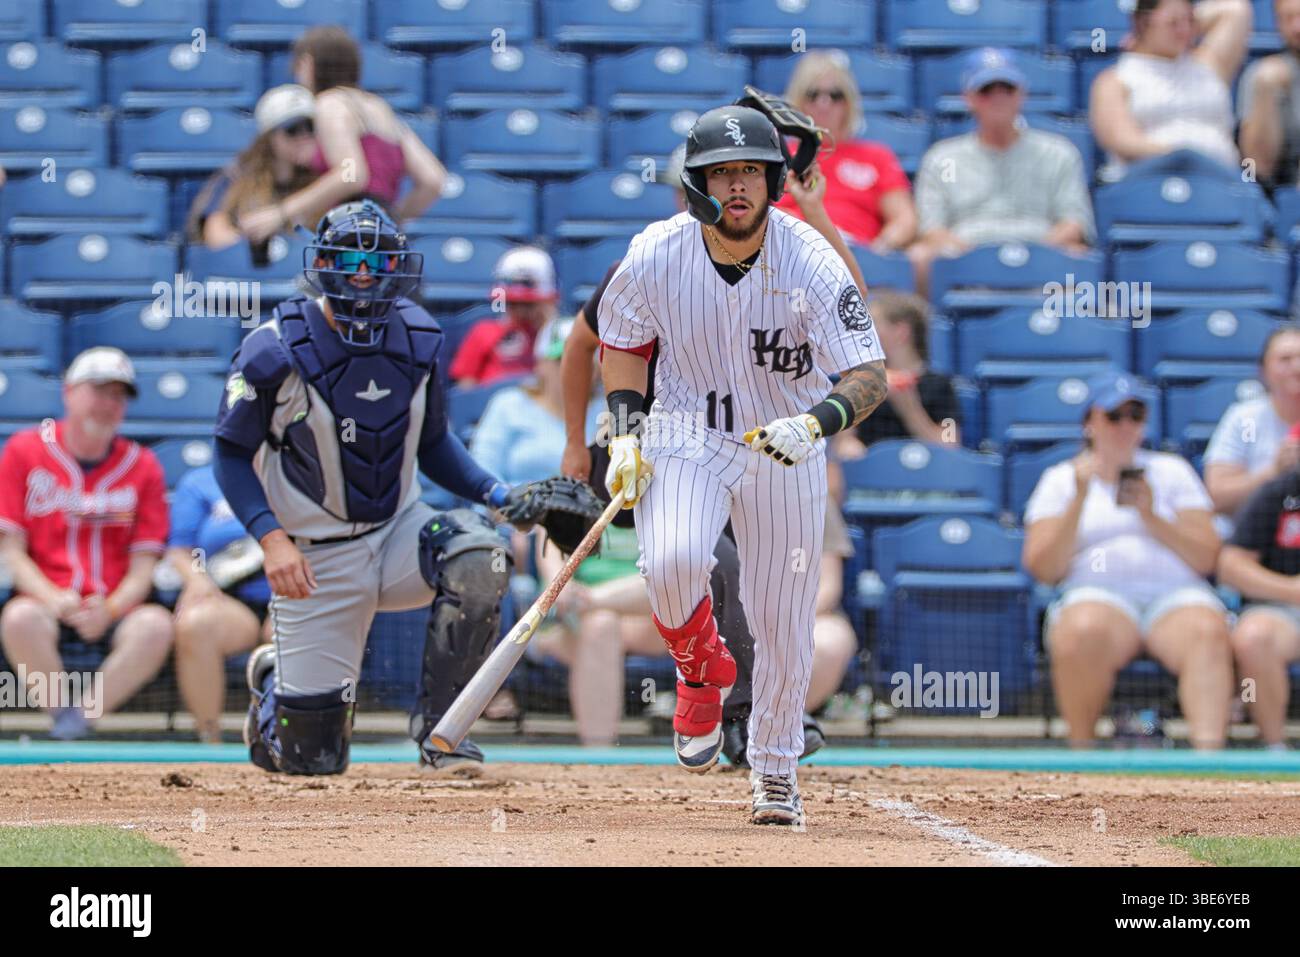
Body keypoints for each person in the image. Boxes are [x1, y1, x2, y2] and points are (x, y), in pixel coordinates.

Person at [598, 104, 888, 825]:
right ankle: (702, 671)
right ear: (697, 183)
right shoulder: (656, 252)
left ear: (774, 180)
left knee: (783, 621)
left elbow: (870, 372)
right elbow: (622, 341)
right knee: (670, 560)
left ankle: (775, 768)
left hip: (784, 441)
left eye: (752, 172)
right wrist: (626, 434)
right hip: (684, 430)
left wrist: (816, 421)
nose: (738, 187)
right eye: (723, 173)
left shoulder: (811, 257)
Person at [214, 199, 549, 776]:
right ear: (323, 262)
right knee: (310, 763)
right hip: (313, 557)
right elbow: (229, 452)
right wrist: (270, 539)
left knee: (480, 557)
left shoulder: (420, 338)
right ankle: (273, 685)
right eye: (350, 258)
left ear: (397, 264)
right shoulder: (272, 349)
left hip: (398, 531)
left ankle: (444, 730)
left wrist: (497, 495)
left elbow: (435, 443)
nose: (364, 272)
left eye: (376, 258)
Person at [1021, 371, 1231, 749]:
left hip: (1175, 597)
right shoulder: (1060, 479)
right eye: (1113, 416)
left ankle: (1208, 766)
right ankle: (1082, 759)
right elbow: (1044, 569)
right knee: (1080, 629)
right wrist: (1079, 498)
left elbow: (1207, 558)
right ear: (1089, 423)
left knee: (1208, 631)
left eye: (1135, 416)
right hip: (1098, 596)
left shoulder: (1172, 471)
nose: (1125, 426)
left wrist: (1151, 515)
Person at [0, 348, 173, 740]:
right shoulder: (25, 450)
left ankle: (80, 722)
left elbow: (144, 565)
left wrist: (110, 609)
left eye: (118, 396)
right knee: (18, 617)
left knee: (157, 625)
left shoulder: (143, 464)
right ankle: (60, 712)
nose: (108, 404)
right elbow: (10, 550)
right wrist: (52, 597)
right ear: (69, 392)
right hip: (44, 597)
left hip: (115, 604)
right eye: (99, 391)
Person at [913, 47, 1096, 295]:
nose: (998, 99)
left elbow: (1074, 224)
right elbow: (932, 230)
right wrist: (983, 262)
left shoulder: (1058, 152)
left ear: (1022, 94)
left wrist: (1028, 260)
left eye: (1007, 90)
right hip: (966, 255)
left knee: (1081, 257)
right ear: (969, 98)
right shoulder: (943, 158)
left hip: (1041, 252)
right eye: (987, 91)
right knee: (920, 256)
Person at [238, 27, 447, 242]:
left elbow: (350, 175)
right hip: (380, 239)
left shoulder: (331, 104)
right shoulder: (380, 108)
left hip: (349, 236)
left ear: (307, 64)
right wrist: (388, 223)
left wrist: (281, 213)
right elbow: (433, 180)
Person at [167, 462, 273, 744]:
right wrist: (197, 579)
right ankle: (208, 737)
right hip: (229, 595)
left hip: (291, 592)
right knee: (196, 624)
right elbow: (180, 550)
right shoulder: (201, 481)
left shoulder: (304, 475)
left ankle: (289, 736)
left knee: (289, 631)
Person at [1090, 0, 1252, 180]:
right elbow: (1123, 142)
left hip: (1221, 184)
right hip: (1151, 184)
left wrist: (1180, 16)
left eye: (1190, 21)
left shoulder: (1208, 64)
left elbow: (1235, 9)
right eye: (1173, 23)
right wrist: (1189, 159)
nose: (1184, 31)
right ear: (1143, 22)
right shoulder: (1114, 80)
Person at [772, 51, 917, 253]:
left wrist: (879, 249)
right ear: (799, 100)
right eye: (813, 94)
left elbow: (904, 219)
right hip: (793, 255)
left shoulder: (876, 156)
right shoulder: (776, 156)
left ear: (848, 102)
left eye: (835, 95)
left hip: (860, 261)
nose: (824, 103)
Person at [1217, 471, 1300, 749]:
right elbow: (1230, 566)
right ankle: (1274, 748)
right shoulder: (1279, 491)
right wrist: (1290, 589)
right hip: (1284, 609)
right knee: (1253, 637)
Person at [186, 84, 319, 251]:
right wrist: (261, 241)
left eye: (310, 127)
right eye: (292, 130)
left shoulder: (325, 179)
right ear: (269, 137)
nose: (304, 136)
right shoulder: (237, 176)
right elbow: (216, 236)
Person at [833, 289, 960, 459]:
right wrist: (852, 450)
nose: (863, 331)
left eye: (872, 324)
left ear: (901, 331)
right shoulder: (859, 381)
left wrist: (909, 407)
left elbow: (949, 445)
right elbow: (844, 442)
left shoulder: (941, 386)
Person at [1204, 325, 1300, 524]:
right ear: (1263, 370)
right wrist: (1275, 472)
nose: (1297, 367)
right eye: (1285, 359)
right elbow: (1218, 497)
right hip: (1254, 536)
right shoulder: (1245, 419)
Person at [450, 246, 559, 388]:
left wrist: (549, 326)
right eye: (513, 303)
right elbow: (466, 388)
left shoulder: (556, 334)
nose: (520, 310)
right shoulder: (484, 331)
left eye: (528, 304)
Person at [1238, 0, 1300, 188]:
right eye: (1288, 18)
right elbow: (1254, 167)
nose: (1297, 27)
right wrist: (1266, 91)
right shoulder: (1263, 76)